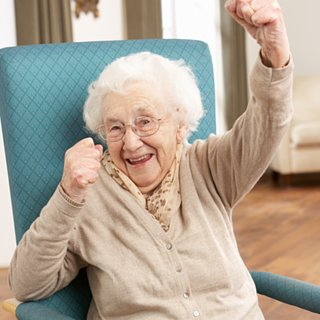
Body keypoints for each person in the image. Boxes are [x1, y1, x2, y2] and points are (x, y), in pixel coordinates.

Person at [9, 0, 293, 319]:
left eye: (145, 122)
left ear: (180, 123)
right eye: (115, 128)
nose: (131, 142)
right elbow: (26, 285)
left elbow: (266, 123)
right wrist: (67, 196)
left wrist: (274, 53)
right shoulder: (85, 197)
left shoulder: (211, 166)